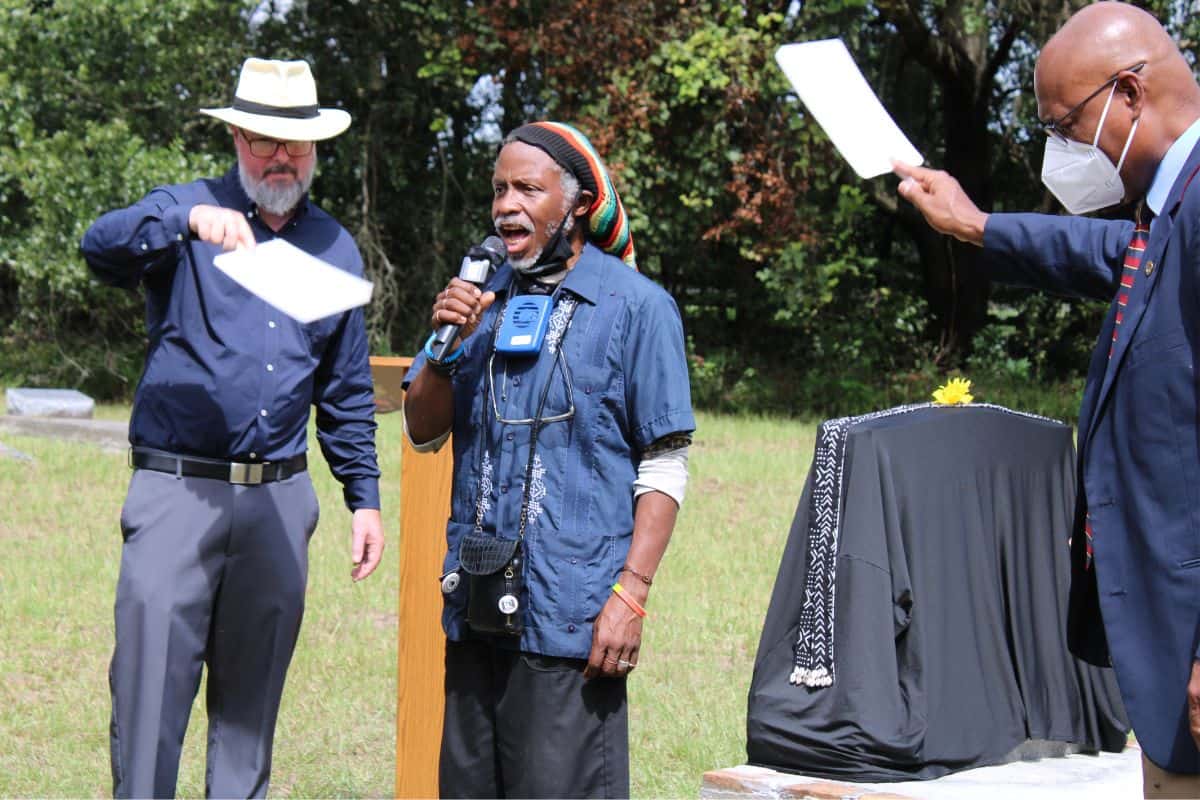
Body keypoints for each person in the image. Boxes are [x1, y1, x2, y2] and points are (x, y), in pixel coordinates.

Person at [893, 3, 1200, 796]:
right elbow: (1114, 253)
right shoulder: (1169, 214)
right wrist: (975, 226)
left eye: (1065, 126)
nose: (1060, 151)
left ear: (1129, 93)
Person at [80, 57, 384, 798]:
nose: (281, 157)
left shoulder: (334, 247)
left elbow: (345, 388)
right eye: (264, 140)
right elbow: (98, 246)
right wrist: (182, 222)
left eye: (296, 144)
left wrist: (364, 497)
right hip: (178, 490)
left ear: (314, 149)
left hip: (278, 501)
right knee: (149, 699)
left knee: (250, 717)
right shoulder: (186, 210)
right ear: (237, 138)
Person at [403, 121, 695, 798]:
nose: (506, 205)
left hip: (572, 620)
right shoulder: (478, 301)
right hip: (474, 610)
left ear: (579, 204)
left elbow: (664, 465)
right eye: (499, 189)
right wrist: (447, 345)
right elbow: (421, 429)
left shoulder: (637, 308)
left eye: (527, 189)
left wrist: (631, 595)